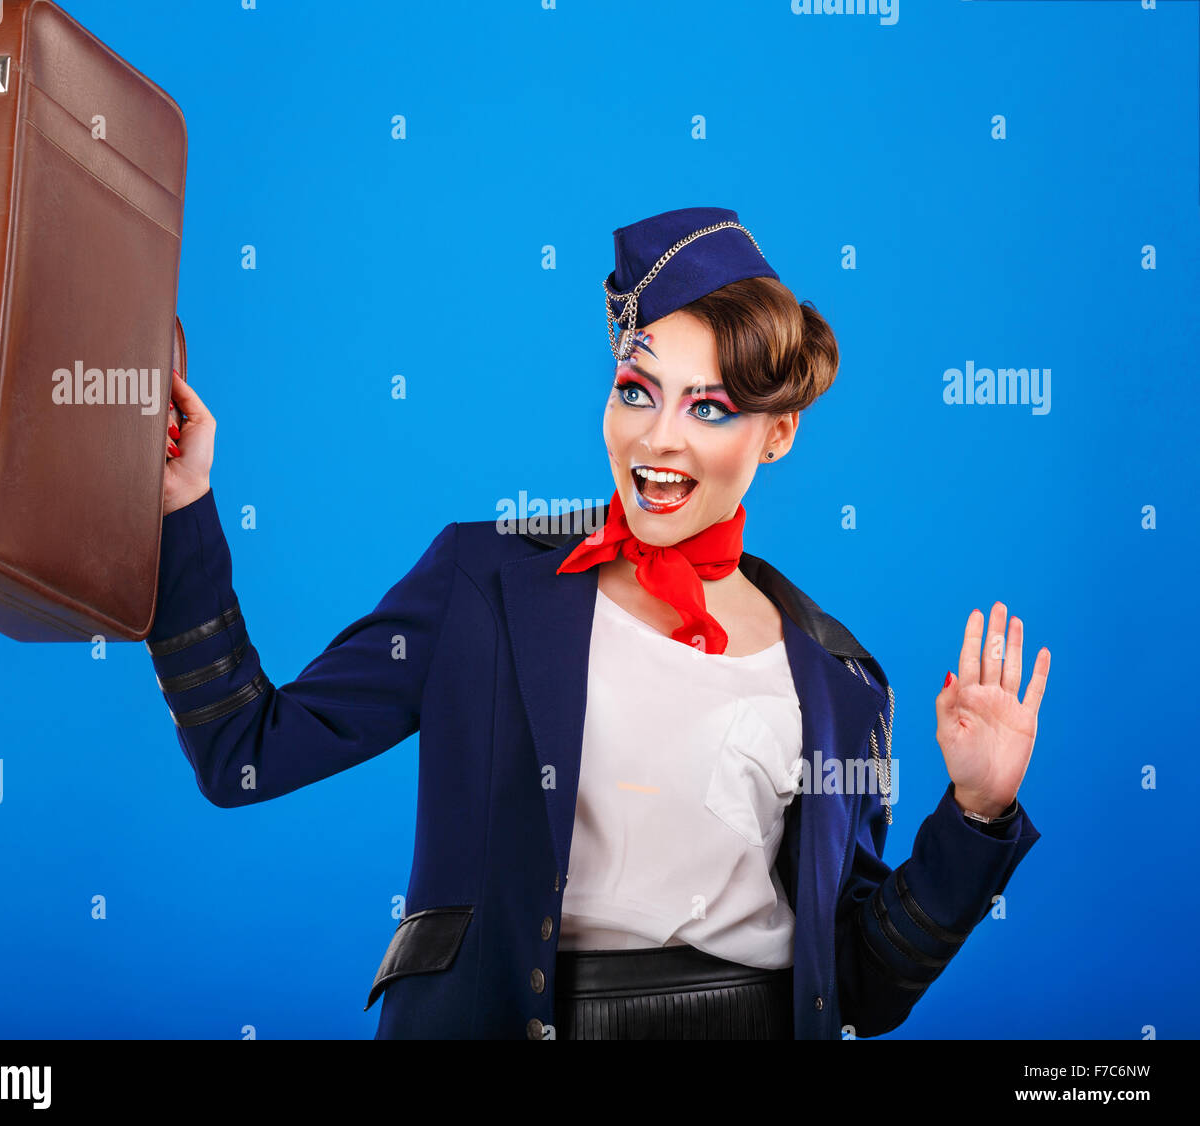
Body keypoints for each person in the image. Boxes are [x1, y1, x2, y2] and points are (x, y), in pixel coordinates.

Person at [152, 206, 1049, 1040]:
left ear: (777, 435)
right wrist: (182, 507)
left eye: (710, 407)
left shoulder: (843, 681)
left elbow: (861, 981)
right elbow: (245, 750)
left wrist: (977, 810)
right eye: (637, 390)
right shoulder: (484, 579)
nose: (659, 439)